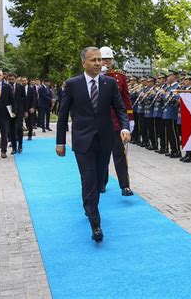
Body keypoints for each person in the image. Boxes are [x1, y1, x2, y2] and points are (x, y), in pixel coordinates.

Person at [56, 47, 130, 242]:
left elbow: (120, 108)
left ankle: (89, 204)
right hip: (82, 141)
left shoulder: (110, 83)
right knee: (88, 178)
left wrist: (124, 127)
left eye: (99, 59)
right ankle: (95, 224)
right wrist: (60, 142)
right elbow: (62, 115)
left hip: (105, 139)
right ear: (84, 63)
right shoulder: (72, 84)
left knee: (97, 180)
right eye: (93, 60)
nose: (98, 63)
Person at [100, 46, 135, 197]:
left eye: (109, 59)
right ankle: (101, 182)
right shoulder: (94, 76)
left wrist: (130, 118)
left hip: (116, 122)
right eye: (104, 59)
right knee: (102, 155)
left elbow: (126, 98)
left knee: (120, 155)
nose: (107, 62)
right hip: (101, 122)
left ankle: (125, 185)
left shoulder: (119, 76)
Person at [0, 69, 15, 160]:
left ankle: (3, 151)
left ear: (2, 76)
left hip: (4, 115)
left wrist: (14, 111)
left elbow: (12, 100)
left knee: (4, 133)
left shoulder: (7, 87)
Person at [162, 69, 181, 158]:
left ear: (174, 76)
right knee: (169, 132)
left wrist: (165, 96)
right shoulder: (169, 87)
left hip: (173, 112)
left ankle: (177, 151)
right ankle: (172, 150)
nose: (168, 78)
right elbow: (164, 97)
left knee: (173, 133)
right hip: (167, 112)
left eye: (169, 76)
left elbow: (175, 99)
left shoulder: (177, 86)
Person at [7, 72, 27, 154]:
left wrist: (25, 110)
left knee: (19, 128)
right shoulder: (6, 87)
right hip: (10, 111)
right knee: (11, 129)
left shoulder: (21, 87)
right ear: (7, 79)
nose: (11, 80)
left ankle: (20, 145)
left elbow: (24, 99)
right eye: (9, 79)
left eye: (12, 79)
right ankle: (14, 148)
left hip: (19, 111)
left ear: (15, 79)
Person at [22, 76, 37, 141]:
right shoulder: (19, 88)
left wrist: (33, 107)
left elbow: (34, 99)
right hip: (21, 108)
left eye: (25, 80)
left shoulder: (31, 89)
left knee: (30, 123)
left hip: (30, 108)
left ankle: (30, 135)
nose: (24, 82)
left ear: (27, 81)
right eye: (22, 81)